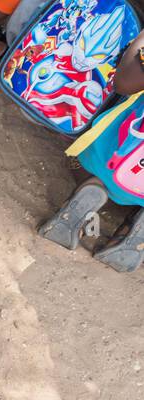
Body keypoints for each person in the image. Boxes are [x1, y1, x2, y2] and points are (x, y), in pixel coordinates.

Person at [41, 30, 144, 270]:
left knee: (76, 159)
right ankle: (131, 229)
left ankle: (93, 186)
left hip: (116, 164)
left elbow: (124, 83)